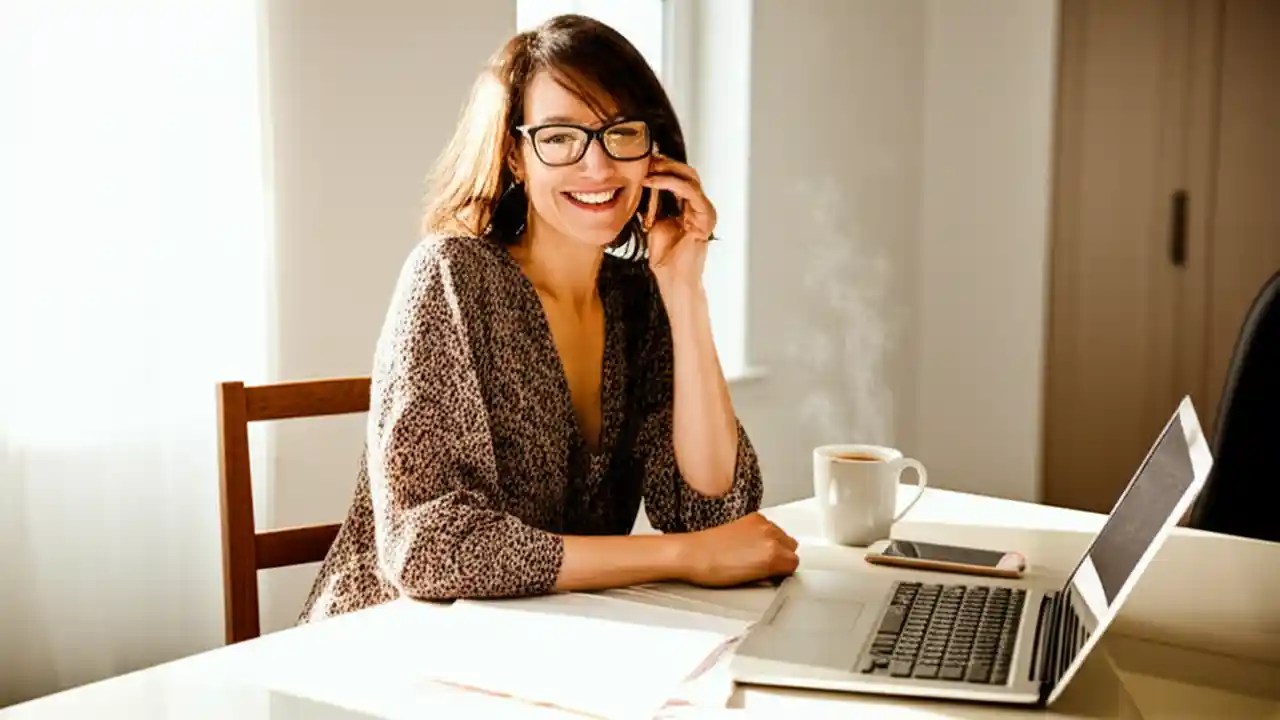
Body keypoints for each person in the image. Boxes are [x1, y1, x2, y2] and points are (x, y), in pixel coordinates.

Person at [298, 14, 798, 623]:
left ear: (652, 154)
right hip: (388, 647)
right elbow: (425, 551)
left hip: (551, 641)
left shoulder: (639, 299)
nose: (597, 167)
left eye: (620, 133)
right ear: (515, 155)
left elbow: (714, 514)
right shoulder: (452, 276)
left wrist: (684, 288)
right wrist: (678, 556)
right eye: (560, 137)